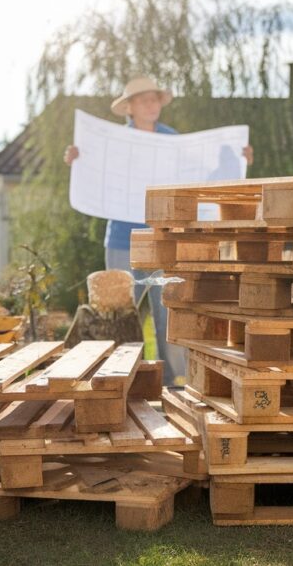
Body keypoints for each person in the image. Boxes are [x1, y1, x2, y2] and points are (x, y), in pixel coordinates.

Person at [65, 76, 253, 384]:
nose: (151, 104)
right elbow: (92, 172)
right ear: (130, 107)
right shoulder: (111, 141)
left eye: (155, 98)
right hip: (121, 241)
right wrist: (76, 159)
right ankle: (123, 381)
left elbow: (204, 177)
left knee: (169, 312)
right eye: (144, 99)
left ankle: (174, 383)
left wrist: (238, 161)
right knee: (121, 315)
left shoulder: (173, 141)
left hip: (164, 239)